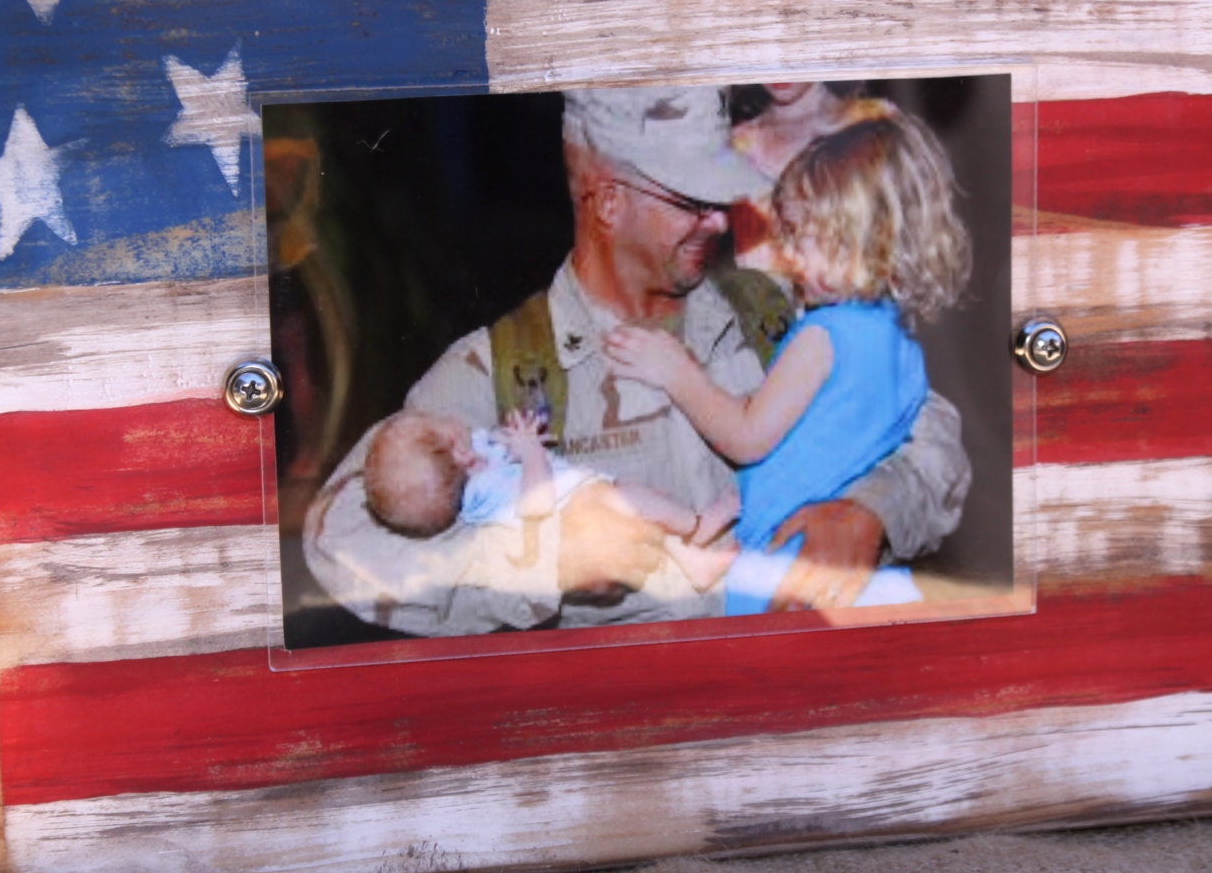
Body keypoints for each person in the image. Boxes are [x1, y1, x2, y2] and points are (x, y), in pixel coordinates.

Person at [303, 85, 971, 638]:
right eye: (688, 201)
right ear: (607, 200)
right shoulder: (502, 371)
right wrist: (545, 559)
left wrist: (871, 511)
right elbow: (340, 541)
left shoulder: (770, 312)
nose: (717, 223)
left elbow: (929, 426)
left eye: (720, 197)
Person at [606, 98, 970, 613]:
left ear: (867, 241)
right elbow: (829, 442)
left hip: (781, 563)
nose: (790, 257)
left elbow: (748, 439)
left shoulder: (821, 334)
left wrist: (676, 371)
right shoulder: (901, 344)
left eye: (806, 240)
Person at [361, 407, 738, 590]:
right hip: (580, 516)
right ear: (456, 451)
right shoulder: (482, 493)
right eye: (439, 422)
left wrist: (514, 434)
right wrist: (530, 451)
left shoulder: (473, 463)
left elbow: (495, 447)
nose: (450, 418)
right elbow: (535, 502)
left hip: (586, 500)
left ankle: (692, 562)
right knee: (645, 504)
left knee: (647, 512)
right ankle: (700, 525)